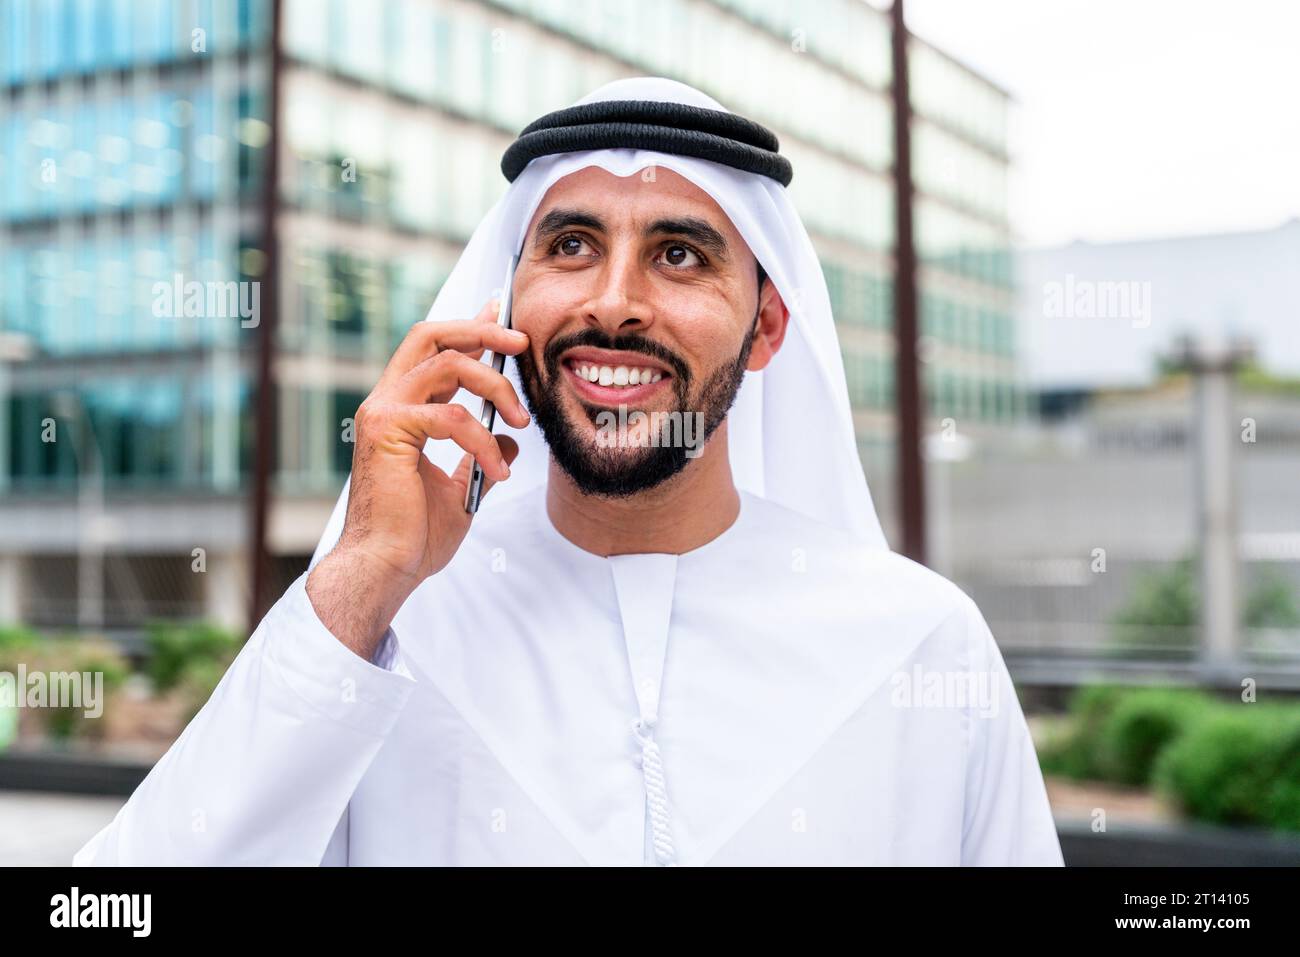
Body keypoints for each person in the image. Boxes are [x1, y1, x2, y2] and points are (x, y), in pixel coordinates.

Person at [74, 77, 1064, 867]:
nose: (615, 302)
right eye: (572, 246)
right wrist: (361, 577)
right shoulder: (386, 632)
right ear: (506, 306)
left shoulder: (917, 644)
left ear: (764, 328)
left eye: (679, 255)